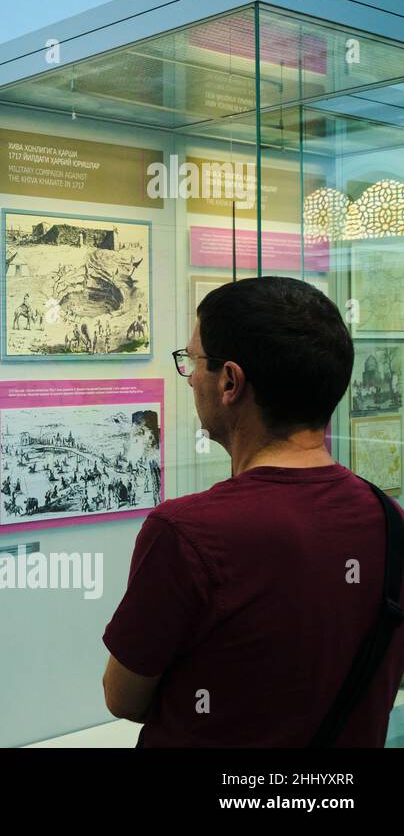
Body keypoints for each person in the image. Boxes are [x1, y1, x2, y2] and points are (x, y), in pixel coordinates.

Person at [102, 276, 404, 746]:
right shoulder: (390, 519)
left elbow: (123, 698)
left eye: (193, 362)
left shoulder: (185, 533)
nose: (190, 377)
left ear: (229, 381)